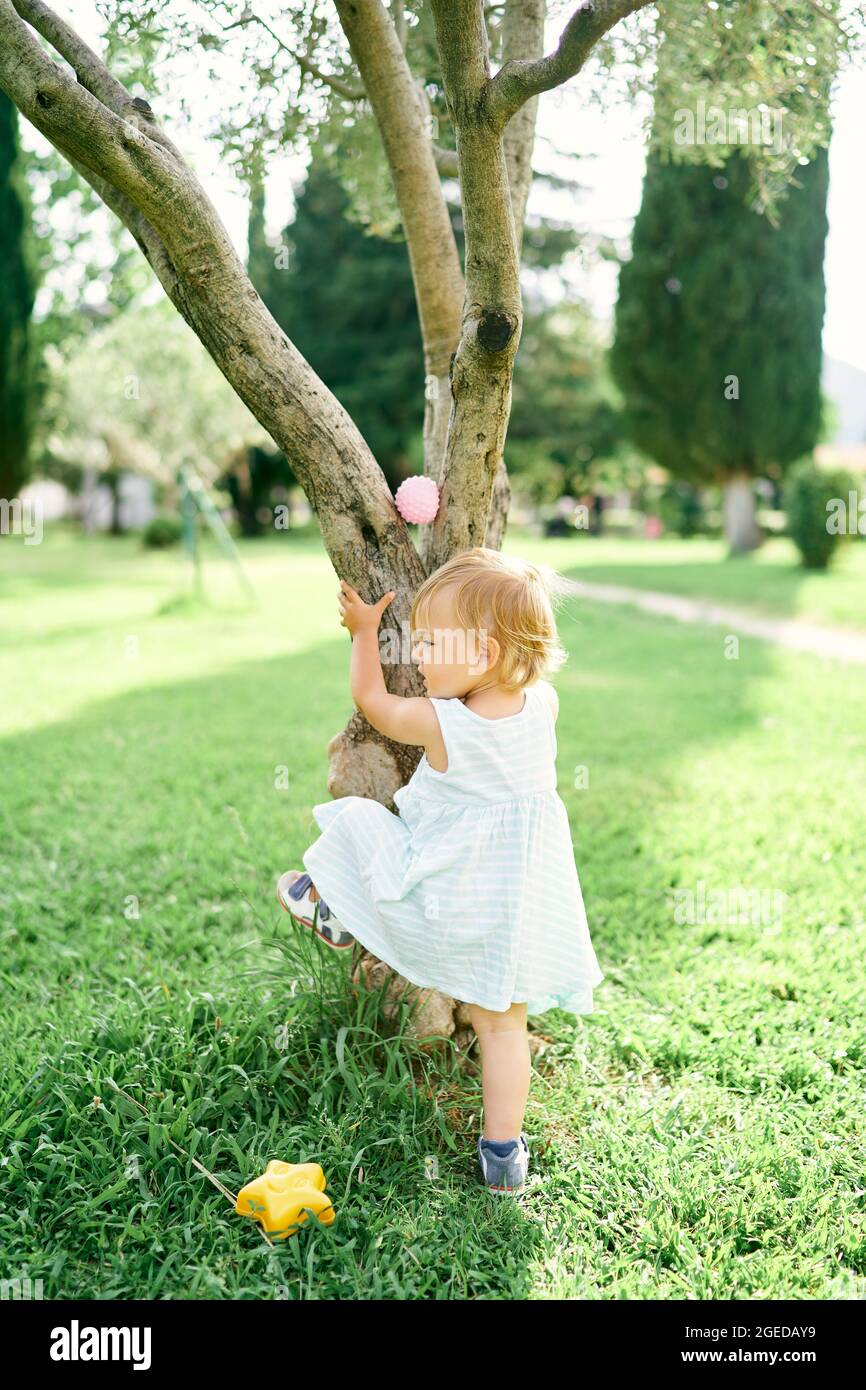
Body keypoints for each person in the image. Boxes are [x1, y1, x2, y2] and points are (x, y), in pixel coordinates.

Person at [277, 547, 604, 1195]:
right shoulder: (545, 708)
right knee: (503, 1029)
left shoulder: (439, 723)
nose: (417, 653)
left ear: (482, 655)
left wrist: (366, 634)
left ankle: (333, 908)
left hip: (439, 908)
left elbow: (371, 698)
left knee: (359, 823)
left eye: (428, 641)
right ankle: (504, 1156)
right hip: (511, 926)